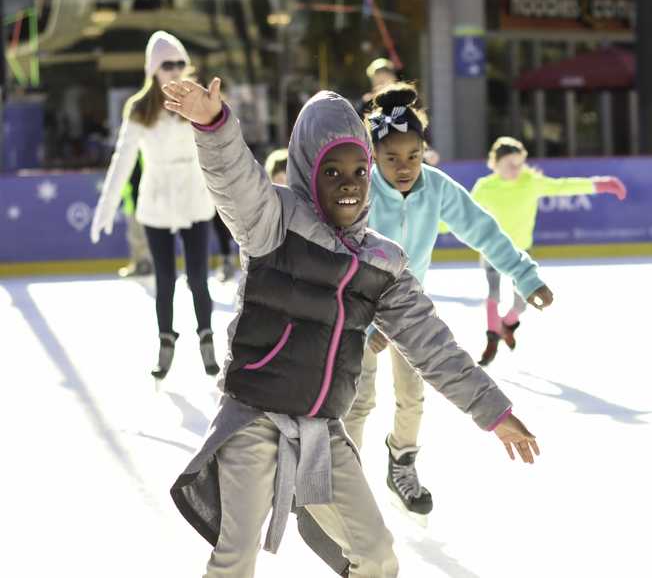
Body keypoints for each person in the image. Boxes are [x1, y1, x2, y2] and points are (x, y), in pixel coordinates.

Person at [163, 79, 541, 577]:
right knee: (235, 557)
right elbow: (234, 179)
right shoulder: (272, 223)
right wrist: (214, 127)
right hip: (252, 420)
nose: (349, 183)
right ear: (306, 172)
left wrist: (493, 410)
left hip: (320, 433)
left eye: (360, 171)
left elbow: (434, 347)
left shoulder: (381, 262)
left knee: (378, 556)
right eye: (332, 171)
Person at [344, 81, 553, 519]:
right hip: (357, 312)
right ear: (372, 156)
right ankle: (343, 476)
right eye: (392, 159)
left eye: (414, 157)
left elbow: (485, 231)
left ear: (425, 152)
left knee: (412, 396)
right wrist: (362, 320)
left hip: (408, 310)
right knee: (356, 400)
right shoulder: (359, 189)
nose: (404, 168)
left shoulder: (436, 188)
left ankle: (401, 464)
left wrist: (525, 276)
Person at [90, 31, 219, 379]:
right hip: (158, 198)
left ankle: (207, 338)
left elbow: (219, 144)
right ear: (152, 69)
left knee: (198, 277)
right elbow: (123, 159)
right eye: (167, 65)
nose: (175, 71)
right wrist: (106, 207)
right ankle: (166, 342)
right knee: (165, 278)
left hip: (194, 194)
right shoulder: (139, 108)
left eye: (180, 63)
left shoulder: (198, 99)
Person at [470, 136, 626, 365]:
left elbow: (563, 186)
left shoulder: (530, 182)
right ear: (496, 163)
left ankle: (507, 325)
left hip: (521, 253)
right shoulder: (485, 186)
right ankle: (492, 339)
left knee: (521, 303)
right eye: (509, 164)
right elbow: (464, 213)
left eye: (519, 163)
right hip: (492, 248)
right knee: (493, 293)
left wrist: (599, 184)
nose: (515, 168)